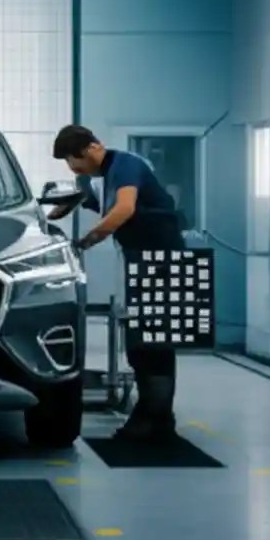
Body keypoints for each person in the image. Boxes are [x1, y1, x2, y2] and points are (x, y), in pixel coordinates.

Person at [49, 124, 184, 442]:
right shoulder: (104, 178)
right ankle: (157, 417)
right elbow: (77, 201)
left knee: (152, 345)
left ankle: (155, 418)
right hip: (145, 261)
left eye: (74, 160)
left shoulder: (125, 165)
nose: (73, 168)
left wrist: (87, 241)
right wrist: (52, 209)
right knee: (143, 344)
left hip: (162, 262)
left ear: (93, 148)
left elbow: (124, 209)